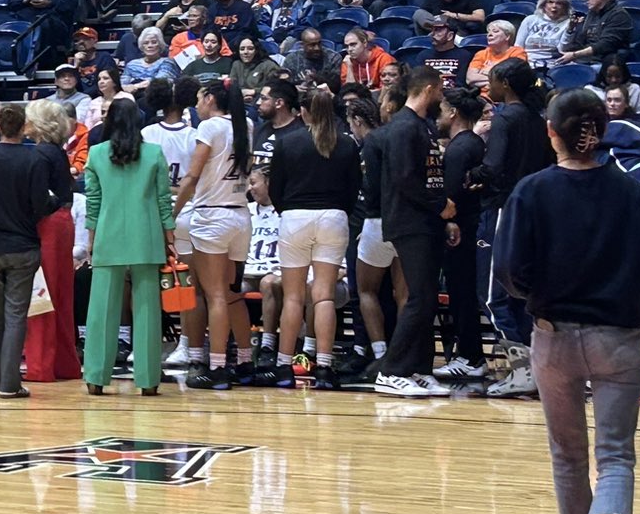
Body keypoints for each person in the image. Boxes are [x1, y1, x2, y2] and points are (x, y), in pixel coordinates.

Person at [495, 88, 640, 514]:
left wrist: (539, 296)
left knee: (567, 453)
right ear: (600, 131)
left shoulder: (531, 191)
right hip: (618, 335)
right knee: (616, 452)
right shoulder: (630, 192)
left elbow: (510, 270)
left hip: (554, 336)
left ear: (552, 134)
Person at [0, 102, 66, 398]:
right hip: (22, 247)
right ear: (24, 128)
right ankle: (9, 384)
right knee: (17, 314)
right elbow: (40, 205)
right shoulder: (32, 160)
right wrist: (55, 202)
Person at [82, 97, 177, 397]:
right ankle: (148, 378)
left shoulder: (96, 154)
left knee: (101, 309)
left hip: (108, 236)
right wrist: (170, 236)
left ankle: (96, 375)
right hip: (146, 237)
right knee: (148, 310)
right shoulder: (153, 154)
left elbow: (93, 203)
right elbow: (164, 201)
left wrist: (91, 238)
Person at [266, 86, 358, 391]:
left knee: (293, 297)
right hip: (333, 217)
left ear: (302, 111)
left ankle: (282, 367)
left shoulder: (287, 141)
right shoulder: (346, 144)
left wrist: (287, 211)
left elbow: (275, 189)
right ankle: (325, 368)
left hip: (294, 217)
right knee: (324, 296)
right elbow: (352, 190)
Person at [368, 67, 450, 397]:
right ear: (428, 89)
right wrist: (439, 205)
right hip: (409, 221)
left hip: (426, 220)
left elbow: (428, 176)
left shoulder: (422, 126)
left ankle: (418, 368)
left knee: (426, 298)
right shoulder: (402, 127)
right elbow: (404, 179)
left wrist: (444, 213)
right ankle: (391, 370)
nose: (442, 95)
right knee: (418, 297)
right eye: (441, 89)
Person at [477, 58, 554, 398]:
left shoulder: (505, 118)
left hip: (504, 209)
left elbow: (492, 168)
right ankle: (534, 369)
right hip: (535, 211)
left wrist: (471, 177)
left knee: (494, 296)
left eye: (491, 80)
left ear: (505, 84)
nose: (488, 85)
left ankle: (523, 370)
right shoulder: (538, 121)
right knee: (523, 295)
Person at [170, 79, 253, 390]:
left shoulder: (208, 128)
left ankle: (217, 368)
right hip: (240, 215)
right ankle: (245, 362)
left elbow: (193, 175)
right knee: (232, 295)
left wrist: (173, 213)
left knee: (215, 295)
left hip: (212, 215)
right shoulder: (245, 123)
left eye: (200, 98)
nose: (196, 104)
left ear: (209, 99)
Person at [19, 101, 82, 384]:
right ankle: (65, 363)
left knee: (41, 295)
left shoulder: (40, 154)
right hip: (63, 223)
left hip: (48, 225)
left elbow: (38, 198)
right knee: (60, 294)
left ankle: (40, 366)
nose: (26, 123)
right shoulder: (56, 152)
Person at [434, 88, 488, 384]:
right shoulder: (472, 143)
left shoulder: (459, 148)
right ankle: (470, 355)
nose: (438, 117)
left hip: (463, 229)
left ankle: (470, 357)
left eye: (441, 110)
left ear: (453, 112)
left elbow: (452, 193)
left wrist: (449, 222)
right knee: (462, 292)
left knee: (462, 293)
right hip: (472, 226)